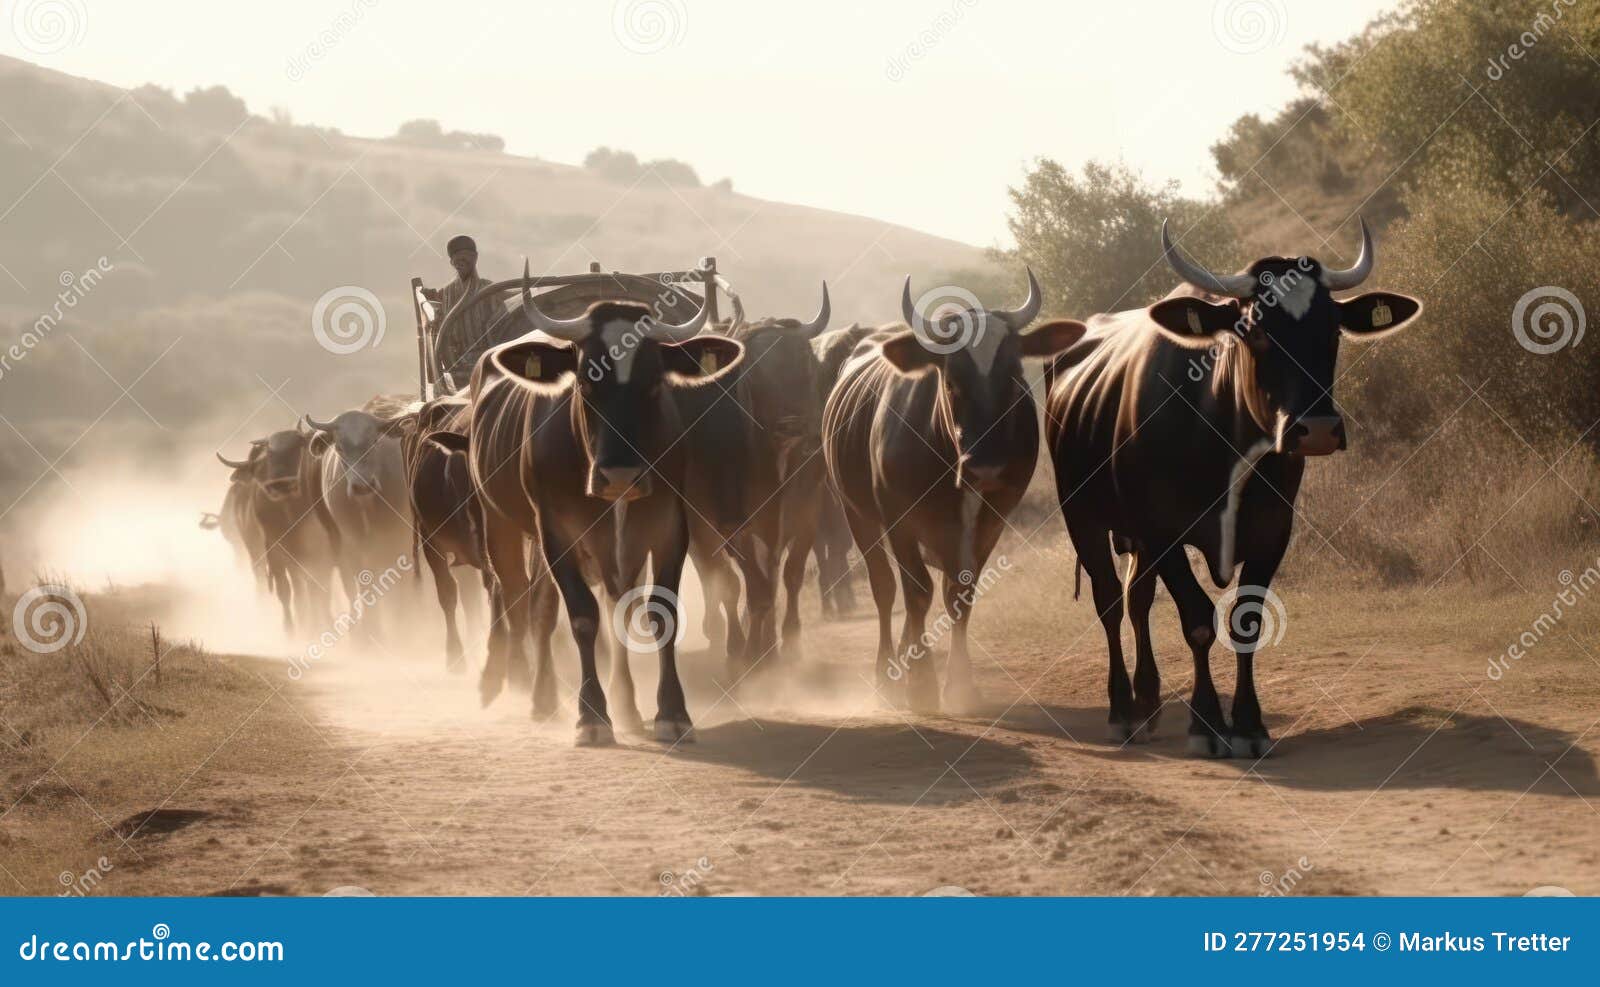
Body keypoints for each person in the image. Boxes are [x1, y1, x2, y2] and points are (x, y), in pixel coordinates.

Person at [425, 234, 510, 390]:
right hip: (458, 368)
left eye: (467, 257)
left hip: (490, 363)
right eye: (457, 259)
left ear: (475, 258)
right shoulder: (445, 293)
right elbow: (438, 331)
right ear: (452, 262)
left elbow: (504, 327)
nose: (462, 263)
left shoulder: (490, 289)